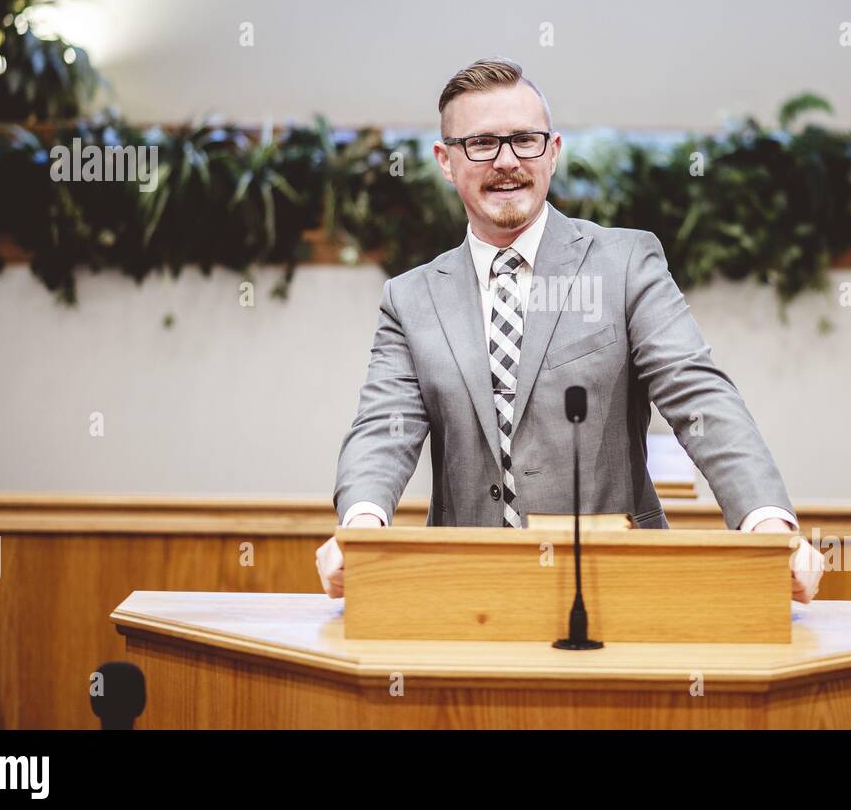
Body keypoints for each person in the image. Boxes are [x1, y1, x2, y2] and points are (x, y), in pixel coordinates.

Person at [317, 57, 823, 602]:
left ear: (553, 151)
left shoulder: (625, 263)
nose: (507, 161)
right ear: (446, 159)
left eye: (525, 140)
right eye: (482, 143)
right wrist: (362, 528)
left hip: (617, 588)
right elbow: (382, 429)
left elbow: (699, 394)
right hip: (465, 592)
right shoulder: (411, 298)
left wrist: (767, 524)